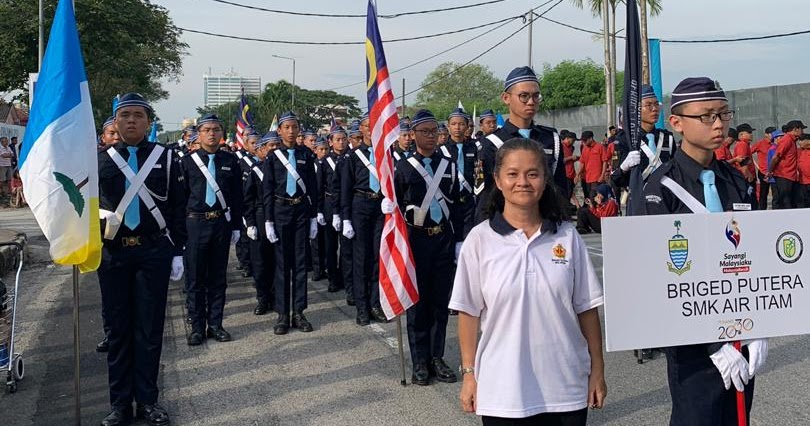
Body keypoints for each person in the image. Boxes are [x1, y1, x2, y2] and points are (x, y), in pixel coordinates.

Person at [451, 137, 606, 425]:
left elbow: (586, 309)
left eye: (532, 174)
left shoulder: (567, 236)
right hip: (502, 392)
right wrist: (470, 375)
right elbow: (468, 313)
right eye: (512, 174)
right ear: (497, 180)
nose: (522, 182)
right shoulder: (480, 240)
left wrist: (597, 368)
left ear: (545, 179)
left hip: (565, 387)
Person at [641, 77, 768, 425]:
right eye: (706, 116)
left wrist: (760, 325)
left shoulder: (735, 180)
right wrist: (711, 344)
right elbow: (657, 275)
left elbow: (755, 256)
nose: (718, 124)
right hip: (691, 342)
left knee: (735, 417)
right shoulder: (659, 188)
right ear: (677, 122)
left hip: (739, 327)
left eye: (723, 114)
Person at [97, 93, 186, 426]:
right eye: (124, 115)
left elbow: (179, 205)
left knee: (149, 329)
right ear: (115, 122)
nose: (131, 120)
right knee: (118, 330)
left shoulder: (167, 158)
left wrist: (177, 250)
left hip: (153, 251)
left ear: (149, 123)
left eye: (138, 115)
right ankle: (120, 404)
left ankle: (148, 400)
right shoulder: (99, 160)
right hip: (114, 253)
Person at [394, 109, 464, 386]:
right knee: (418, 304)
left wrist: (459, 239)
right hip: (417, 240)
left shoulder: (449, 166)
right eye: (425, 132)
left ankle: (437, 357)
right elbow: (397, 206)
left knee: (439, 303)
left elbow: (459, 204)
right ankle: (420, 361)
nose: (431, 137)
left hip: (443, 240)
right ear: (413, 135)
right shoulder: (402, 167)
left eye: (435, 132)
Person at [181, 113, 243, 346]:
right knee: (195, 278)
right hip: (195, 223)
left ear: (222, 134)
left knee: (218, 277)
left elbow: (237, 197)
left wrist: (236, 226)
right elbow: (180, 198)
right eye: (207, 130)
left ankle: (215, 324)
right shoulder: (187, 162)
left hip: (220, 224)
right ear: (199, 133)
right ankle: (197, 327)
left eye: (216, 129)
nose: (212, 134)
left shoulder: (230, 161)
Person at [476, 66, 565, 224]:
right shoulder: (490, 144)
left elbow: (560, 187)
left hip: (544, 226)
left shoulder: (551, 138)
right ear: (506, 98)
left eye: (536, 96)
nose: (531, 102)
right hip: (505, 228)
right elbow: (485, 197)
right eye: (524, 96)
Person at [262, 111, 319, 334]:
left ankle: (299, 312)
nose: (291, 131)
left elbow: (313, 188)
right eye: (287, 127)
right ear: (280, 131)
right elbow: (267, 191)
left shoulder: (307, 154)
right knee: (282, 265)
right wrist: (268, 220)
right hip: (280, 210)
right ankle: (283, 314)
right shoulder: (273, 157)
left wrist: (314, 216)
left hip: (301, 211)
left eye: (295, 127)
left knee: (301, 264)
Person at [340, 112, 388, 325]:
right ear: (362, 129)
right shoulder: (352, 157)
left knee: (379, 257)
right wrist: (345, 218)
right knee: (361, 259)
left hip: (380, 206)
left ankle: (375, 303)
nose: (371, 129)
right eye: (368, 126)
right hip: (360, 205)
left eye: (374, 125)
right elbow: (345, 189)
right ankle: (362, 307)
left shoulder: (386, 154)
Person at [611, 85, 678, 214]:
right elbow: (615, 179)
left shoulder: (666, 138)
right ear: (637, 110)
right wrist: (624, 168)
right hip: (639, 202)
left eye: (656, 105)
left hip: (666, 200)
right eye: (649, 105)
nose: (655, 109)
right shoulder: (626, 140)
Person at [242, 130, 276, 316]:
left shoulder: (283, 167)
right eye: (271, 146)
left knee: (278, 261)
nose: (274, 149)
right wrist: (250, 223)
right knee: (261, 262)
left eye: (277, 145)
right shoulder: (255, 169)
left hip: (278, 217)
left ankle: (277, 298)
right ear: (261, 150)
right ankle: (263, 298)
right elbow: (247, 198)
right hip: (261, 215)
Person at [440, 108, 477, 242]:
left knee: (469, 238)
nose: (457, 127)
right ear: (448, 126)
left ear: (467, 126)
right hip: (449, 200)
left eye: (461, 124)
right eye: (454, 124)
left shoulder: (474, 148)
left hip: (469, 201)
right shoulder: (441, 150)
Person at [321, 127, 350, 293]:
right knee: (331, 246)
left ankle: (346, 278)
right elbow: (318, 187)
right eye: (337, 139)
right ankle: (333, 279)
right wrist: (319, 211)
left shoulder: (350, 159)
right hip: (329, 204)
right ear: (330, 142)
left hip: (345, 204)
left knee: (346, 246)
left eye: (343, 139)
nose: (341, 142)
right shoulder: (325, 161)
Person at [768, 120, 804, 209]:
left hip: (791, 176)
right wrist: (770, 171)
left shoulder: (792, 141)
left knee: (793, 201)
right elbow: (776, 157)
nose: (803, 132)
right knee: (785, 201)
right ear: (795, 129)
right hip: (784, 176)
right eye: (801, 129)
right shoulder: (787, 139)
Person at [310, 138, 329, 281]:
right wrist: (316, 210)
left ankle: (325, 266)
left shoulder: (327, 164)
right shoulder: (313, 165)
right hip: (316, 206)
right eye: (321, 149)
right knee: (316, 241)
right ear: (315, 150)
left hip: (326, 205)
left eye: (326, 149)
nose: (323, 152)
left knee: (326, 240)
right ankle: (317, 269)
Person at [577, 131, 607, 201]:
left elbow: (604, 162)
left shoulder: (600, 147)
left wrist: (602, 175)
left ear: (591, 138)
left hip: (597, 178)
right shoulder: (584, 149)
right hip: (587, 178)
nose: (583, 142)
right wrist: (577, 174)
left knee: (593, 197)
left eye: (585, 140)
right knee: (588, 197)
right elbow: (582, 163)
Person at [751, 126, 776, 209]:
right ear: (766, 134)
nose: (773, 135)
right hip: (763, 173)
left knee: (776, 193)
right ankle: (762, 210)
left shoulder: (776, 144)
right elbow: (749, 152)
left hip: (774, 173)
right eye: (771, 133)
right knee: (763, 194)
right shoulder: (760, 144)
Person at [797, 134, 810, 207]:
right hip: (802, 182)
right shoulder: (799, 151)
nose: (799, 142)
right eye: (799, 140)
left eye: (802, 140)